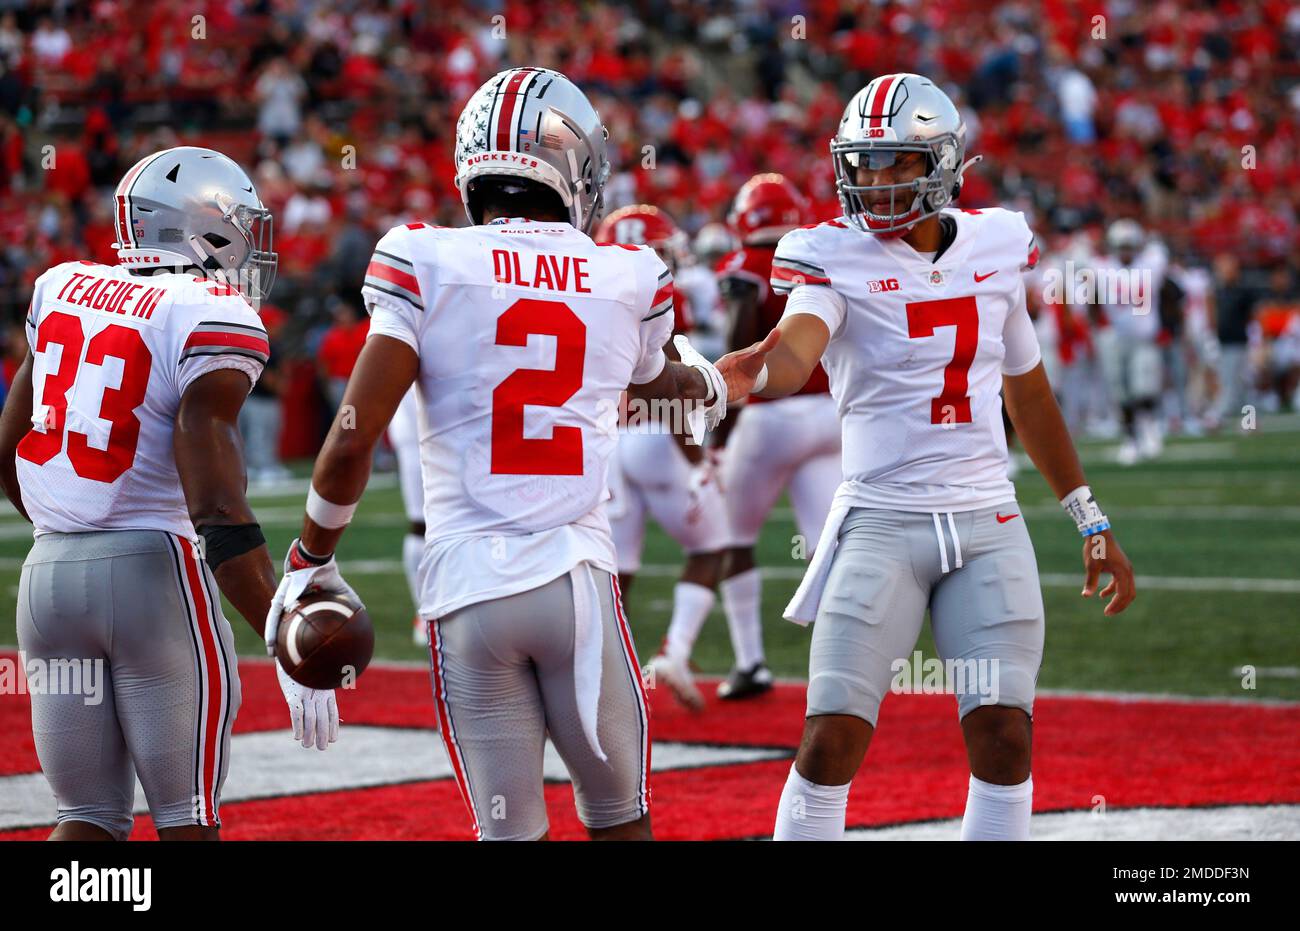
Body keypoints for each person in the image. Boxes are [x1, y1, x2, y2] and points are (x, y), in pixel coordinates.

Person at [263, 68, 761, 841]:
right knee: (620, 820)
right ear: (577, 170)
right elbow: (664, 387)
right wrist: (717, 380)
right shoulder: (628, 272)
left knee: (508, 830)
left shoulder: (423, 257)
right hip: (576, 584)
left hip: (468, 590)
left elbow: (352, 436)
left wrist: (308, 561)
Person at [715, 73, 1136, 841]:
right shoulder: (831, 255)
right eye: (863, 163)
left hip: (987, 521)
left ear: (941, 163)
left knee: (1005, 737)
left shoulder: (996, 243)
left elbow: (1029, 394)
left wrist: (1089, 516)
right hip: (882, 522)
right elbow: (796, 351)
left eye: (895, 163)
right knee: (831, 737)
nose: (874, 181)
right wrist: (746, 375)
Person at [0, 146, 332, 842]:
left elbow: (9, 447)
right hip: (152, 576)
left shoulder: (61, 286)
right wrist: (283, 637)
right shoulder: (204, 309)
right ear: (197, 228)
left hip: (47, 579)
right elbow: (217, 508)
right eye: (237, 228)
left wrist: (71, 528)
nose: (249, 246)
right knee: (187, 822)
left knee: (85, 820)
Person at [712, 173, 842, 700]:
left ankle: (750, 663)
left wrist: (719, 432)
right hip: (826, 415)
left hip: (770, 418)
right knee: (825, 548)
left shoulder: (746, 265)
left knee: (733, 538)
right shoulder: (815, 259)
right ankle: (839, 666)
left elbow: (741, 344)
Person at [596, 204, 729, 711]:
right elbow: (667, 389)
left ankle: (607, 677)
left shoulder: (589, 296)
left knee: (618, 569)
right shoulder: (658, 296)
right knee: (711, 547)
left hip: (610, 442)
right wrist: (697, 460)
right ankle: (674, 653)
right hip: (656, 435)